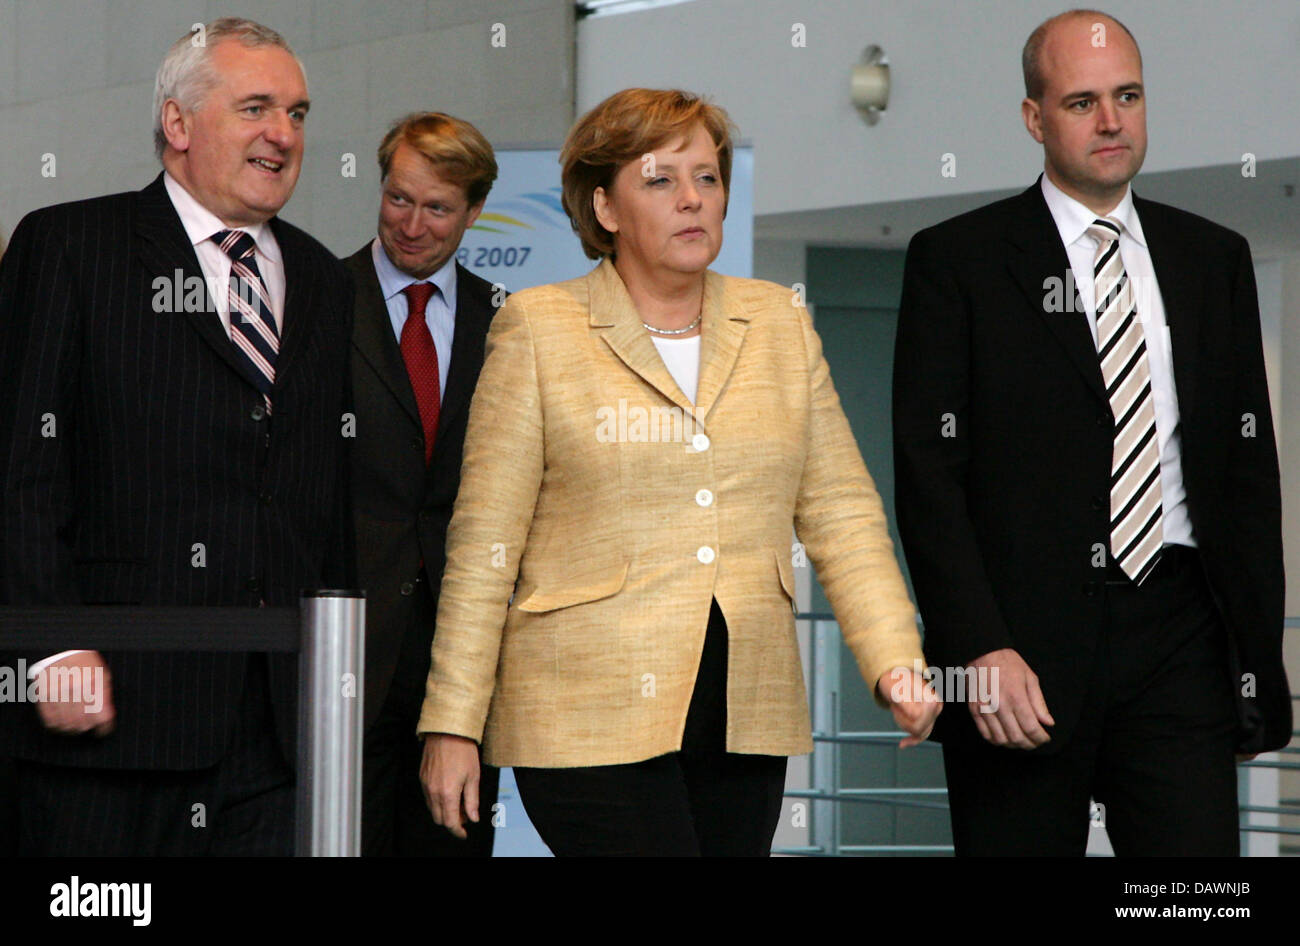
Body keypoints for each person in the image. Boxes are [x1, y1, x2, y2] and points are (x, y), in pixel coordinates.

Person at [417, 87, 941, 857]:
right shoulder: (539, 328)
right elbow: (484, 544)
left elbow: (842, 513)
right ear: (605, 208)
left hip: (744, 711)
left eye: (707, 177)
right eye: (661, 180)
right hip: (583, 711)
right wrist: (453, 721)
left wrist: (896, 659)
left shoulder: (778, 324)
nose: (693, 199)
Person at [893, 9, 1290, 856]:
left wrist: (1258, 663)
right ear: (1035, 119)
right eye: (1082, 102)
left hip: (1181, 634)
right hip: (1020, 651)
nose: (1111, 121)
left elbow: (1247, 476)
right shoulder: (958, 260)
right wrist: (978, 647)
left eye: (1128, 96)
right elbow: (930, 478)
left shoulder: (1212, 258)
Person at [0, 17, 355, 856]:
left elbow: (323, 492)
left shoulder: (320, 278)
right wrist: (48, 648)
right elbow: (19, 469)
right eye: (257, 108)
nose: (284, 134)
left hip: (277, 730)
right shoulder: (71, 245)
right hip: (109, 722)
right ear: (178, 123)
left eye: (299, 113)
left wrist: (335, 685)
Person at [346, 112, 501, 857]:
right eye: (397, 199)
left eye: (437, 208)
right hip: (341, 646)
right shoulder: (314, 301)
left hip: (462, 656)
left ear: (474, 212)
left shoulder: (506, 322)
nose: (410, 225)